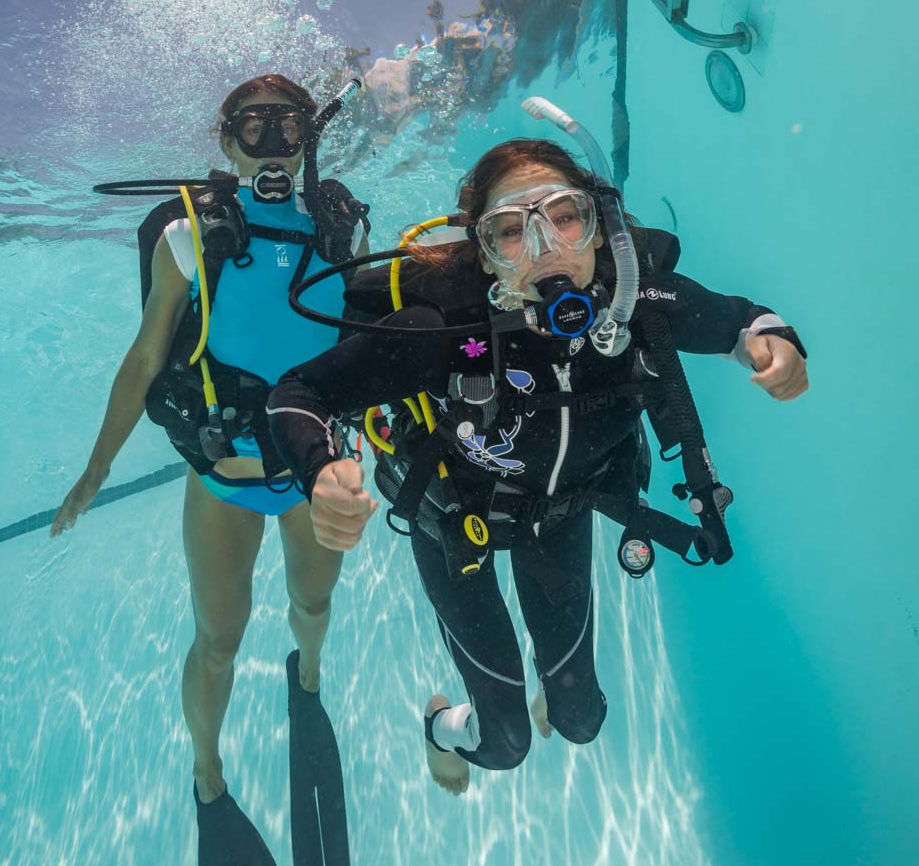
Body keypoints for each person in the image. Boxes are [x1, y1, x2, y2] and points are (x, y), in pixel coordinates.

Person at [267, 136, 808, 797]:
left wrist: (772, 343)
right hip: (454, 524)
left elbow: (742, 321)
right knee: (502, 744)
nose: (546, 246)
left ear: (598, 224)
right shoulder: (445, 326)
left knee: (580, 720)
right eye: (510, 231)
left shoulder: (635, 301)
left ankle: (551, 703)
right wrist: (320, 470)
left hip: (563, 517)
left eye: (564, 215)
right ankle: (441, 726)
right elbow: (299, 393)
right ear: (484, 251)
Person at [51, 74, 368, 862]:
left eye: (287, 126)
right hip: (223, 477)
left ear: (309, 139)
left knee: (313, 604)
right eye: (252, 127)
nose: (270, 144)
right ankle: (206, 768)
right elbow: (147, 353)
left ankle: (310, 675)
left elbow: (361, 344)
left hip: (312, 467)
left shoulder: (337, 229)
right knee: (218, 638)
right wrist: (96, 469)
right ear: (225, 142)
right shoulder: (189, 233)